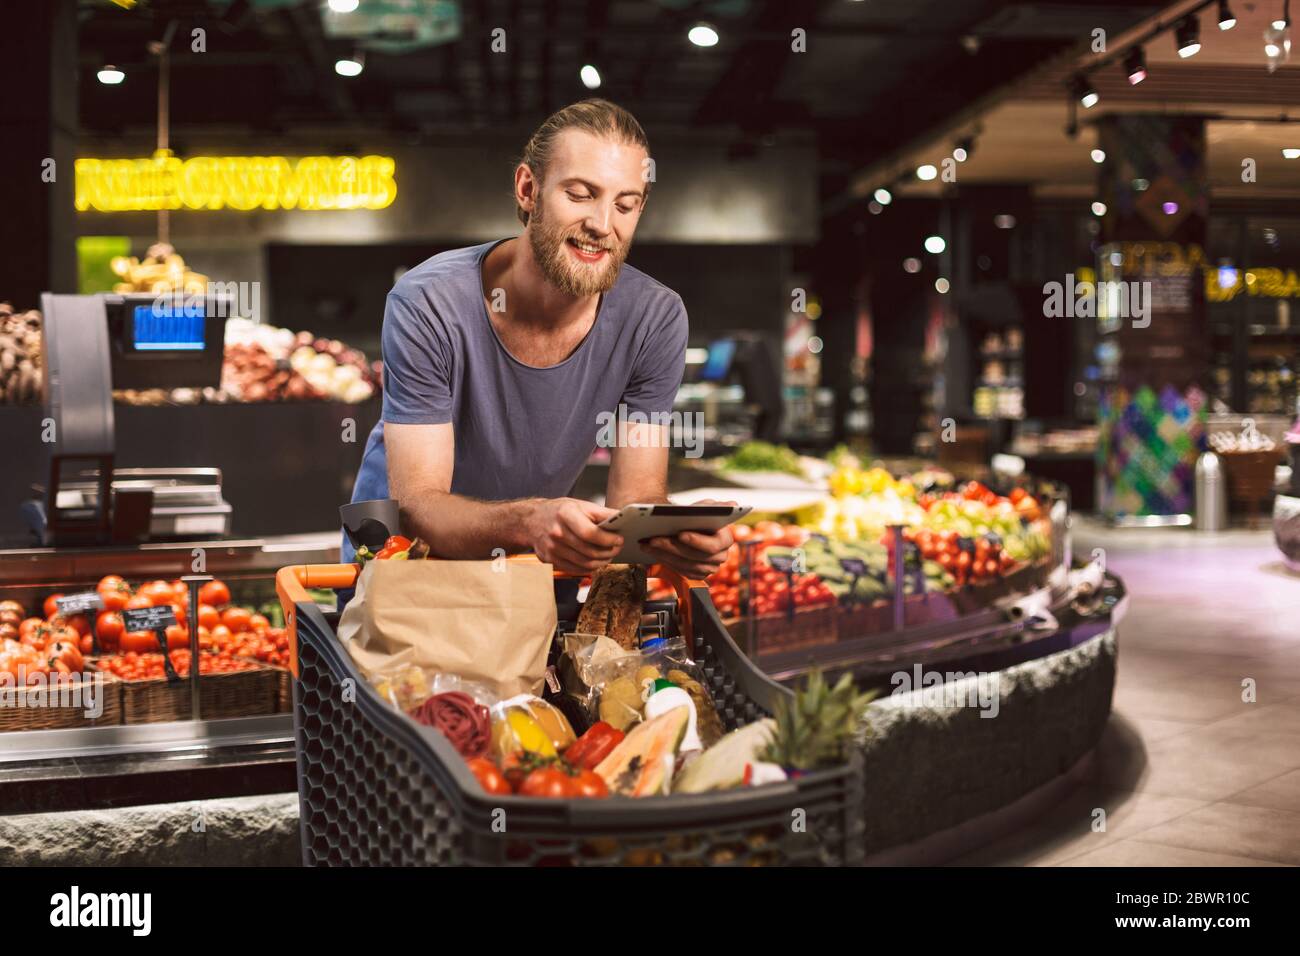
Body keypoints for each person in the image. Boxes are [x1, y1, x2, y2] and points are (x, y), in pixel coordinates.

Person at [348, 98, 734, 578]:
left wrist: (674, 534)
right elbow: (417, 505)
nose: (601, 224)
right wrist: (531, 521)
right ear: (529, 189)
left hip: (516, 561)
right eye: (579, 195)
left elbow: (635, 499)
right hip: (393, 558)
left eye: (625, 204)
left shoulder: (654, 317)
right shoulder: (428, 302)